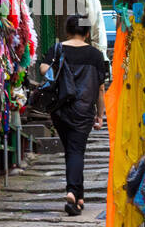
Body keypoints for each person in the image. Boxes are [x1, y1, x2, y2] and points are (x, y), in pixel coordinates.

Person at [39, 13, 108, 216]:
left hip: (60, 109)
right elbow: (101, 89)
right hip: (84, 110)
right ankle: (72, 191)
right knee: (76, 151)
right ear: (87, 32)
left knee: (72, 150)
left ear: (68, 31)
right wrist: (100, 115)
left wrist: (57, 69)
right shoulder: (95, 55)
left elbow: (43, 69)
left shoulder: (58, 49)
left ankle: (78, 197)